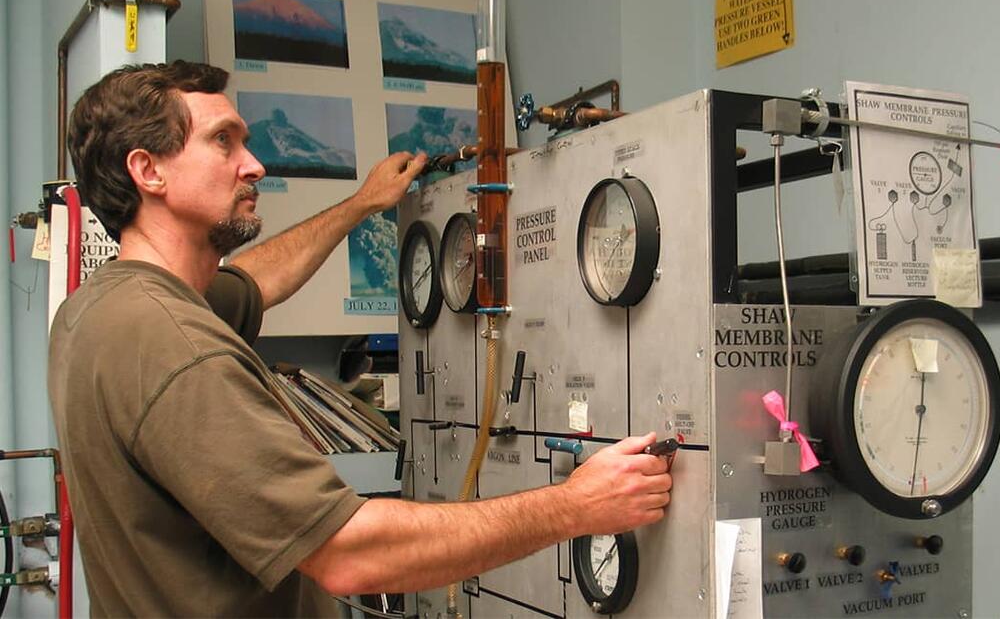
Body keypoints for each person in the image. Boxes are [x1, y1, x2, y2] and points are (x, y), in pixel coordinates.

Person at [48, 60, 672, 616]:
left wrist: (361, 204)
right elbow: (349, 553)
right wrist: (578, 505)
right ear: (148, 170)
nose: (253, 165)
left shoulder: (98, 313)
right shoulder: (175, 345)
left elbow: (256, 281)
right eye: (223, 141)